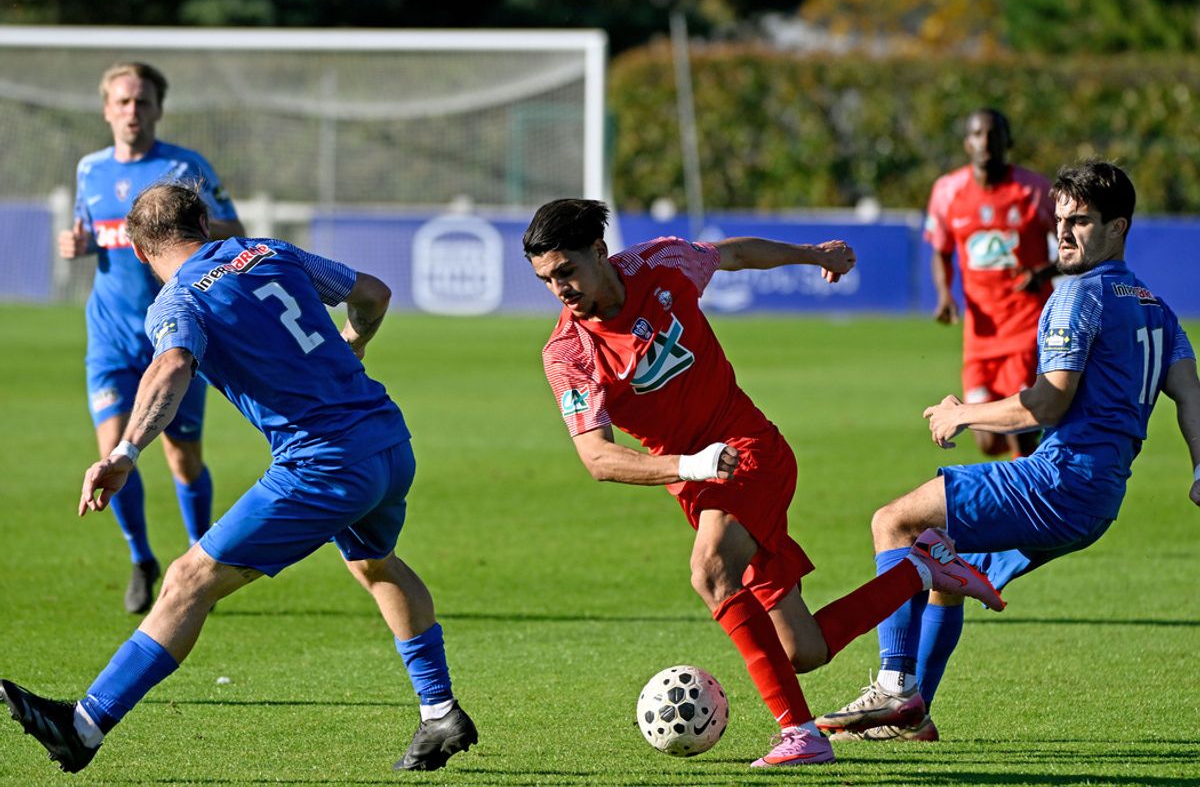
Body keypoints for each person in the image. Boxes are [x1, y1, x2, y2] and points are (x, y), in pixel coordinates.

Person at [1, 183, 477, 774]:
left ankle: (83, 726)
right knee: (375, 562)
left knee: (186, 580)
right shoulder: (271, 251)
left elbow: (172, 364)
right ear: (204, 221)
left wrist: (124, 450)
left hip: (322, 462)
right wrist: (353, 342)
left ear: (140, 252)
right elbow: (373, 294)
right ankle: (440, 712)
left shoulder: (176, 303)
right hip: (387, 441)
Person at [521, 199, 1005, 768]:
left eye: (566, 271)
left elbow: (736, 253)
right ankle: (923, 565)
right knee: (803, 650)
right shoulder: (568, 353)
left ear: (600, 252)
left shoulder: (662, 263)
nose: (559, 288)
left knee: (710, 571)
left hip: (752, 452)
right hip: (703, 482)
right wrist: (691, 466)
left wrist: (812, 254)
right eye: (546, 279)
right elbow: (599, 459)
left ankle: (800, 733)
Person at [817, 161, 1200, 742]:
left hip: (1060, 480)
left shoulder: (1079, 296)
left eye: (1082, 221)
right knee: (942, 559)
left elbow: (1046, 405)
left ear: (1119, 227)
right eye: (1061, 220)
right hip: (1100, 501)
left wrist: (961, 413)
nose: (1064, 233)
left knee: (893, 522)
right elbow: (1190, 394)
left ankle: (895, 686)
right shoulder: (1155, 307)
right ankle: (912, 714)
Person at [60, 62, 245, 613]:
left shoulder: (184, 167)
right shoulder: (89, 169)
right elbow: (88, 232)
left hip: (177, 332)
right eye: (122, 102)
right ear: (106, 109)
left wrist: (182, 229)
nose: (131, 112)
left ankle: (198, 559)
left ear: (158, 109)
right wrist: (81, 245)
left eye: (141, 102)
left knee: (182, 456)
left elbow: (233, 225)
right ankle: (142, 558)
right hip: (111, 336)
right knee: (114, 452)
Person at [926, 108, 1057, 458]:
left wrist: (1043, 272)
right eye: (977, 134)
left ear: (1007, 142)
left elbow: (1073, 246)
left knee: (1019, 428)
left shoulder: (1035, 190)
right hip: (981, 332)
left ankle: (1029, 503)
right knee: (986, 440)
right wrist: (944, 295)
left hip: (1026, 325)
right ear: (967, 143)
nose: (986, 142)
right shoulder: (948, 191)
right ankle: (1044, 457)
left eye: (993, 134)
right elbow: (940, 250)